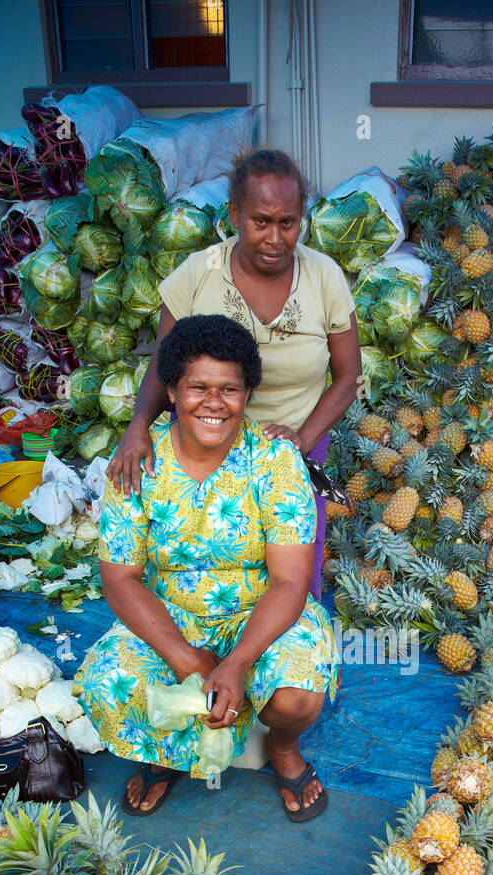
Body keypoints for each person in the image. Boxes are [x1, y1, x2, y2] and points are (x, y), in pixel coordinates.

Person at [73, 314, 338, 820]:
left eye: (230, 389)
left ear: (247, 394)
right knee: (111, 682)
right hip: (171, 612)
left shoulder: (275, 460)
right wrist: (184, 658)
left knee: (298, 693)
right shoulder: (137, 461)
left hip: (260, 610)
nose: (213, 402)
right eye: (197, 386)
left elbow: (289, 580)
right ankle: (165, 754)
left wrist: (236, 661)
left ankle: (283, 749)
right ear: (171, 389)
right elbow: (121, 578)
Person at [108, 148, 361, 612]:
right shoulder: (198, 275)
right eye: (260, 221)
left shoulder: (324, 277)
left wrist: (301, 441)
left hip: (293, 444)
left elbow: (349, 377)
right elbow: (164, 363)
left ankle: (287, 659)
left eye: (288, 222)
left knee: (293, 572)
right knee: (218, 564)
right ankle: (208, 652)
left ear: (302, 219)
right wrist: (138, 426)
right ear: (234, 215)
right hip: (208, 445)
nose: (275, 237)